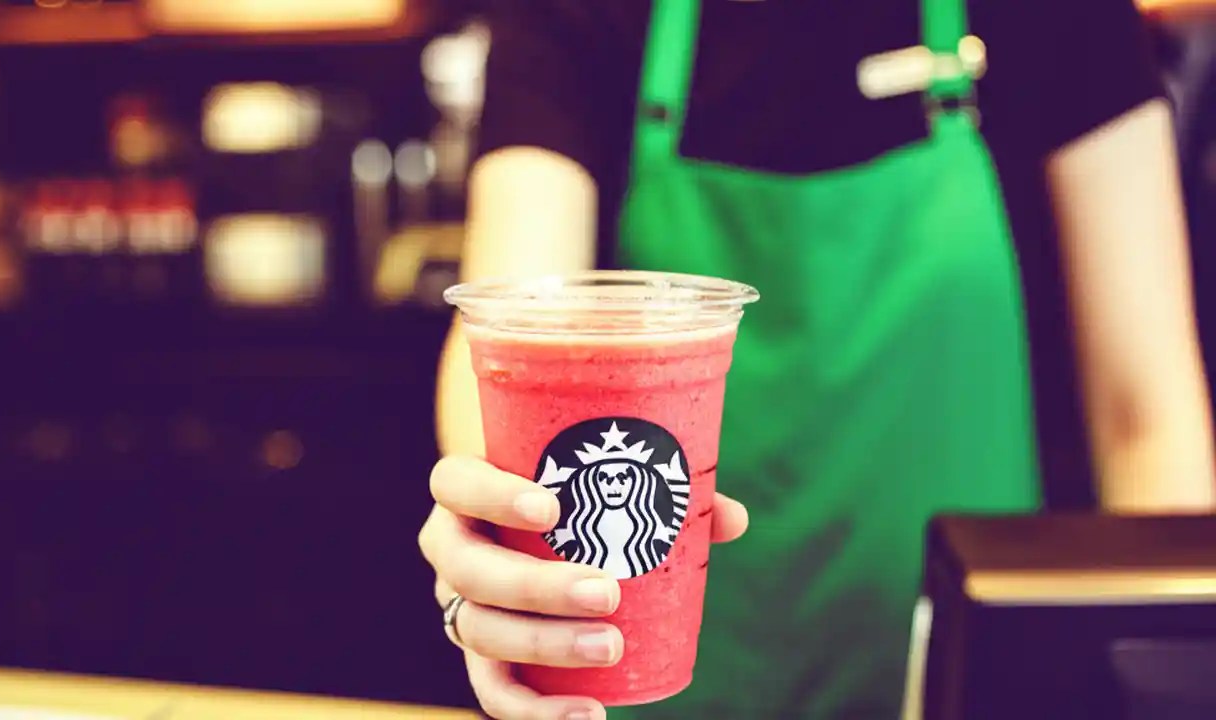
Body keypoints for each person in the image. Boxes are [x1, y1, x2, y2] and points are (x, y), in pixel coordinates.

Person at [416, 0, 1216, 717]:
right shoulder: (575, 14)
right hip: (641, 683)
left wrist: (1173, 673)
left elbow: (1143, 410)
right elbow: (508, 329)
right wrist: (496, 547)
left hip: (981, 688)